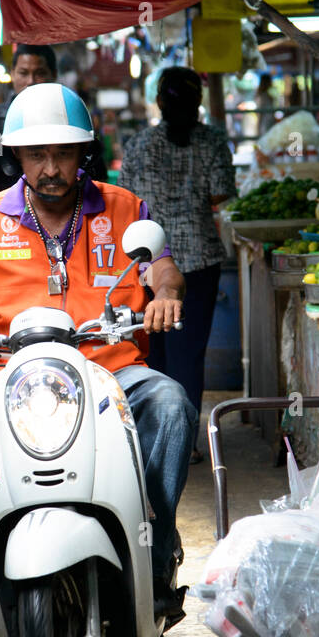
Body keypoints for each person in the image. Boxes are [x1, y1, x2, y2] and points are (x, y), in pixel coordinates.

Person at [0, 83, 196, 619]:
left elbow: (162, 270)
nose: (50, 167)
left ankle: (155, 556)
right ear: (17, 157)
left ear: (83, 154)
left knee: (171, 405)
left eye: (63, 153)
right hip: (12, 379)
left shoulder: (124, 209)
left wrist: (165, 295)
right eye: (37, 155)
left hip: (113, 373)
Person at [119, 66, 235, 464]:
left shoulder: (137, 145)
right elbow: (220, 193)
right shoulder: (213, 142)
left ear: (159, 102)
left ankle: (151, 438)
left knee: (152, 352)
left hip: (146, 262)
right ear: (198, 102)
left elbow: (127, 200)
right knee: (189, 353)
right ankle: (184, 444)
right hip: (199, 259)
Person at [0, 44, 58, 191]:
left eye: (40, 73)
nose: (30, 81)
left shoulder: (67, 123)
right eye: (23, 73)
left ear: (54, 75)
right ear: (12, 74)